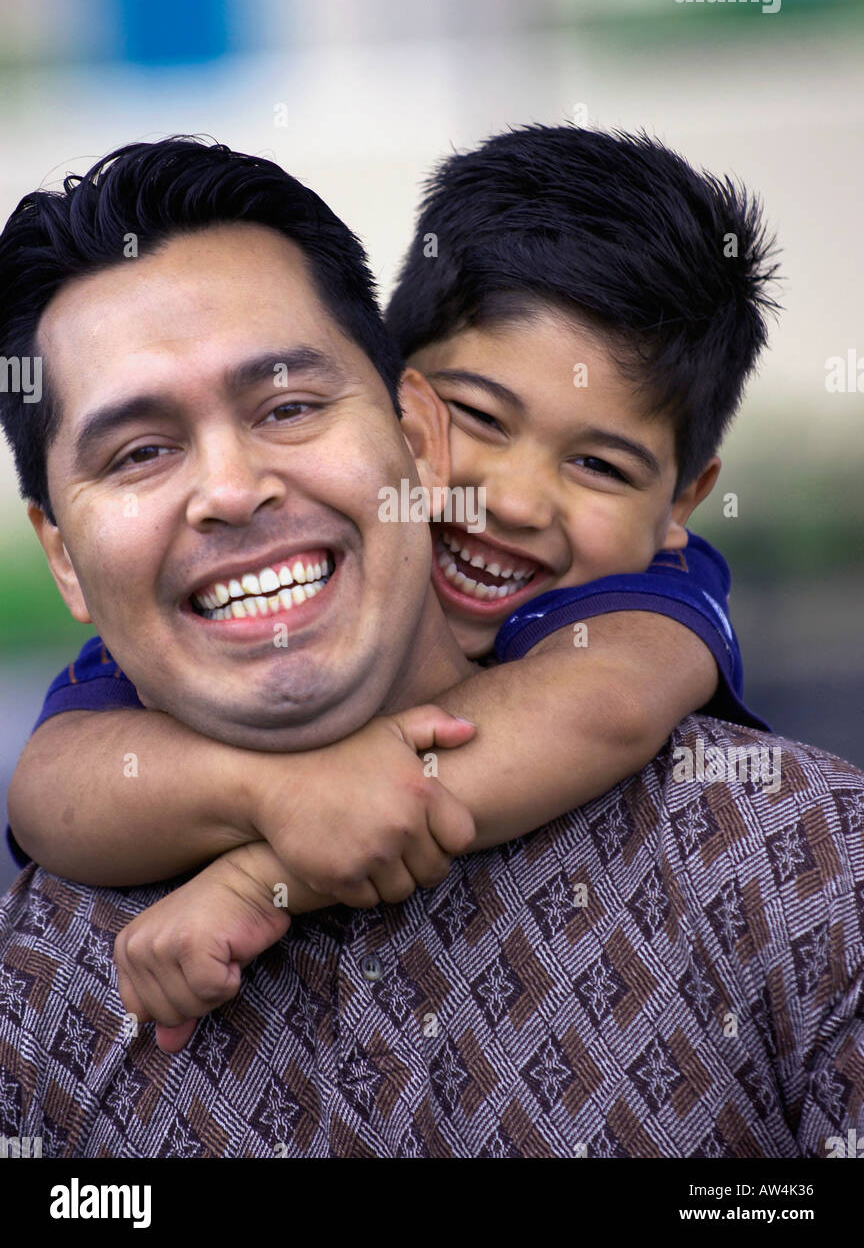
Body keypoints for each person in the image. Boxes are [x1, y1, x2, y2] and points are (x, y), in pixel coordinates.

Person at [1, 135, 861, 1158]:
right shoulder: (38, 992)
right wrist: (276, 796)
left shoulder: (794, 865)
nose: (511, 499)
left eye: (286, 406)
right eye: (141, 451)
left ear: (409, 431)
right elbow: (49, 785)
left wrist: (263, 874)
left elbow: (611, 698)